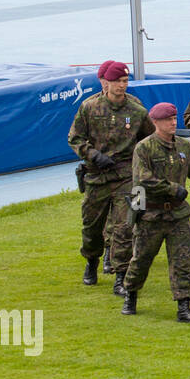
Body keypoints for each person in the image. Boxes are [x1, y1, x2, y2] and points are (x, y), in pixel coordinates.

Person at [67, 61, 154, 294]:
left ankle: (120, 275)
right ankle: (92, 261)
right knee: (92, 226)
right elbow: (75, 138)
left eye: (125, 81)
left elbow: (149, 141)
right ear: (107, 83)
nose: (121, 86)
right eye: (117, 81)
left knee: (124, 227)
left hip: (125, 176)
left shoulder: (137, 111)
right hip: (97, 176)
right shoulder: (90, 107)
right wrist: (92, 154)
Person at [121, 101, 190, 323]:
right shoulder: (144, 148)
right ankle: (130, 294)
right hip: (151, 216)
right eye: (167, 119)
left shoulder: (183, 146)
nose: (173, 122)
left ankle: (184, 307)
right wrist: (173, 189)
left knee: (182, 261)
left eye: (174, 118)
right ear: (155, 122)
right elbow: (142, 179)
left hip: (178, 215)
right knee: (141, 259)